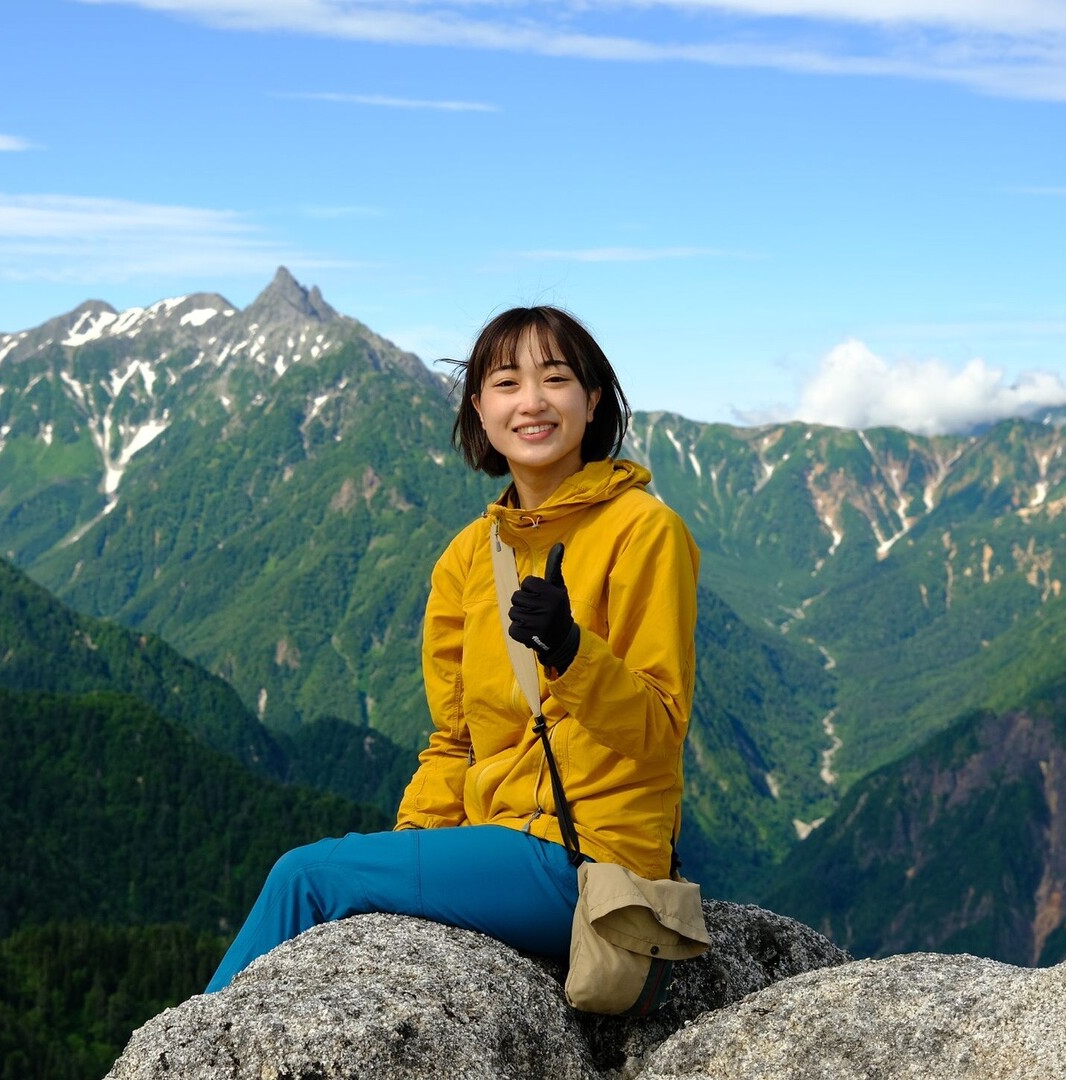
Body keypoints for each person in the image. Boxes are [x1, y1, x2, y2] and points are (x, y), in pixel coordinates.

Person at [205, 305, 699, 993]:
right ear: (479, 409)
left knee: (305, 876)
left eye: (556, 379)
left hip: (589, 856)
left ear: (592, 402)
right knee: (333, 880)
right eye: (507, 383)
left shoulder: (644, 531)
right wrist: (409, 847)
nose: (532, 401)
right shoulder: (470, 557)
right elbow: (455, 742)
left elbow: (660, 728)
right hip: (499, 846)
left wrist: (570, 651)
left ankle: (194, 1041)